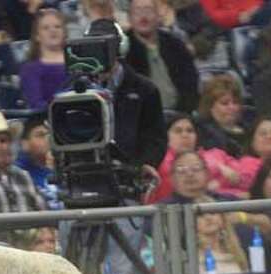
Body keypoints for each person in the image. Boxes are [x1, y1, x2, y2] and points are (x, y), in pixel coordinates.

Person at [84, 18, 166, 169]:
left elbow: (155, 139)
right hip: (85, 168)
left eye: (107, 46)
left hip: (130, 171)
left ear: (120, 48)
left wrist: (145, 166)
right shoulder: (74, 90)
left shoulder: (145, 90)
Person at [125, 0, 198, 115]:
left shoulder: (175, 44)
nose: (143, 16)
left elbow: (190, 83)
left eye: (148, 10)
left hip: (178, 114)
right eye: (137, 11)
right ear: (129, 18)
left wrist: (184, 113)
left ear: (158, 16)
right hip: (141, 117)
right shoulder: (123, 50)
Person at [19, 8, 68, 112]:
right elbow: (36, 104)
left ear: (64, 32)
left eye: (57, 27)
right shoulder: (30, 69)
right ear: (37, 36)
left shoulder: (78, 63)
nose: (53, 30)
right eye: (46, 28)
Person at [195, 74, 246, 157]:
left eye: (235, 102)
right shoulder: (202, 133)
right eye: (224, 103)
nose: (232, 107)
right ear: (210, 106)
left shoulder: (250, 128)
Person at [195, 206, 248, 274]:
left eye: (212, 212)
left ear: (222, 219)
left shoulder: (235, 252)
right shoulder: (193, 257)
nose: (208, 218)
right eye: (200, 215)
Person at [14, 114, 55, 197]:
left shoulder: (70, 167)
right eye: (41, 135)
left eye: (51, 134)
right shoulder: (17, 174)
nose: (48, 139)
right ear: (25, 144)